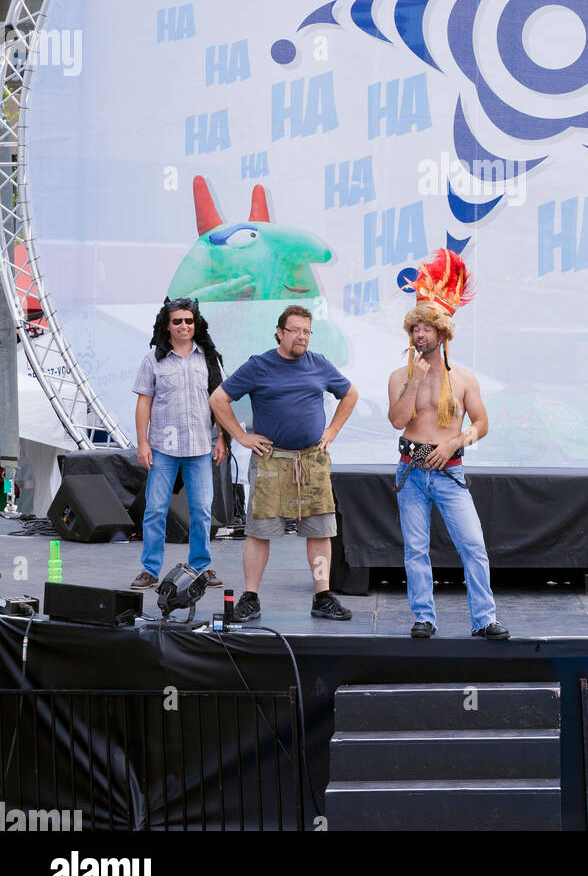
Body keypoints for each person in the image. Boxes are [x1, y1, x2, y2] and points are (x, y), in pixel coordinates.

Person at [387, 248, 509, 640]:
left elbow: (483, 423)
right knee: (416, 551)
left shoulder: (463, 378)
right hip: (411, 469)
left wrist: (457, 440)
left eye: (426, 328)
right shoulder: (399, 375)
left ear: (441, 333)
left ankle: (484, 620)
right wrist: (416, 381)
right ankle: (424, 617)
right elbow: (397, 420)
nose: (419, 334)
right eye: (414, 328)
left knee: (473, 545)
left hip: (450, 470)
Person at [210, 305, 358, 622]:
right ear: (280, 332)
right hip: (270, 461)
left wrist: (332, 430)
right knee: (258, 532)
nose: (302, 336)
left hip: (312, 460)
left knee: (320, 531)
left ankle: (322, 596)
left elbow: (350, 394)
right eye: (296, 330)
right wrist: (240, 436)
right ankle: (250, 598)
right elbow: (218, 399)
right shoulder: (259, 365)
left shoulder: (319, 364)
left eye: (307, 331)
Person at [131, 297, 228, 591]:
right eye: (178, 321)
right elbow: (143, 404)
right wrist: (142, 443)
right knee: (155, 510)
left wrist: (222, 437)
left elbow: (220, 401)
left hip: (200, 447)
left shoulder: (209, 358)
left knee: (201, 511)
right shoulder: (153, 360)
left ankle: (200, 567)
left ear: (195, 324)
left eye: (189, 320)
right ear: (167, 325)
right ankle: (149, 569)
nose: (184, 326)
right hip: (163, 448)